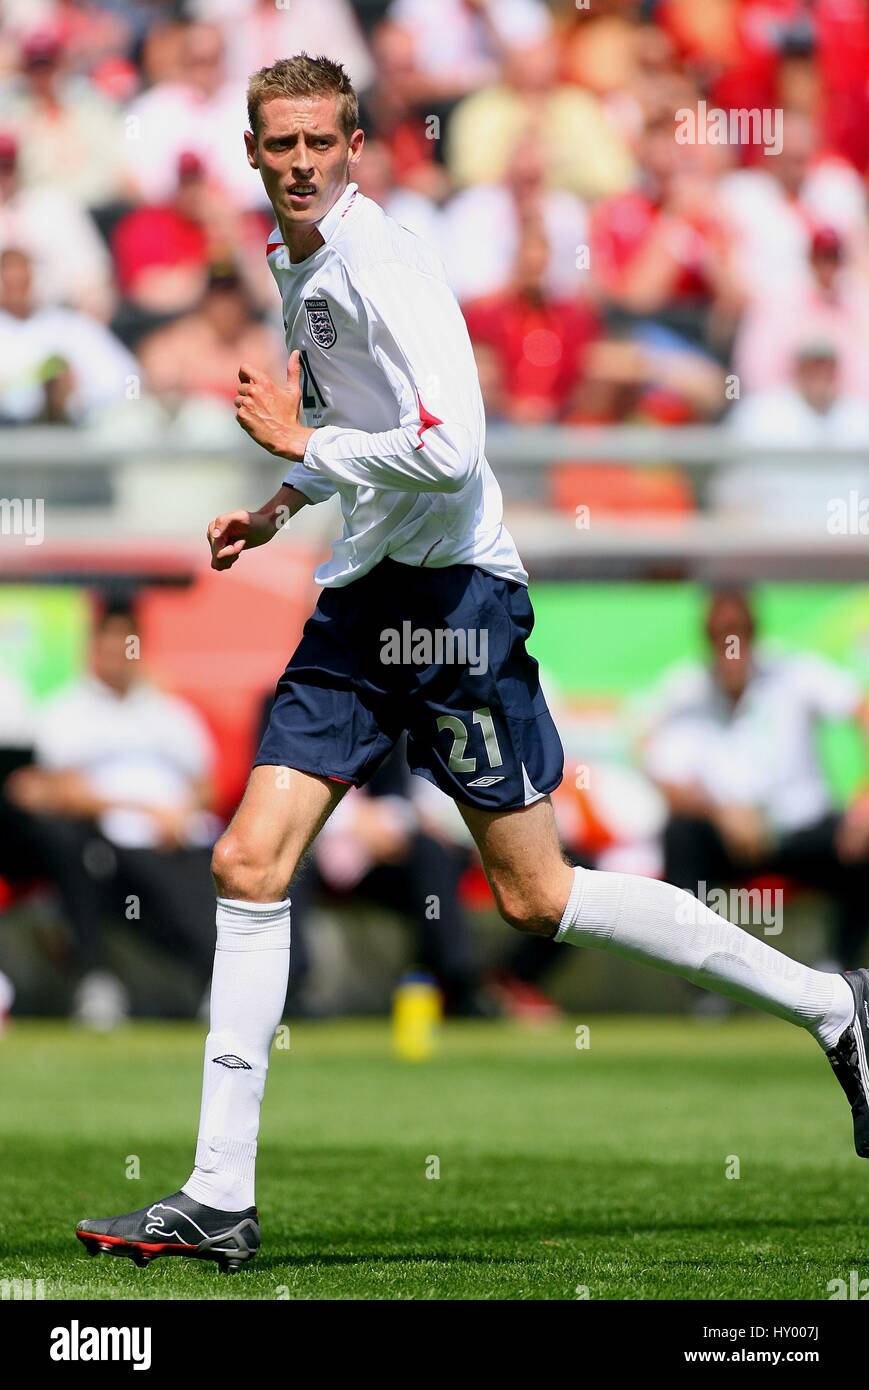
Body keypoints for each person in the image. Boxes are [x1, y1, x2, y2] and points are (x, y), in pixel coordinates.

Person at [76, 55, 869, 1274]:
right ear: (249, 152)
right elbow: (360, 420)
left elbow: (450, 451)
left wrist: (309, 444)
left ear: (353, 149)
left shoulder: (383, 261)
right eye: (275, 144)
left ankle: (830, 1004)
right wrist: (282, 501)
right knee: (246, 855)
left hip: (454, 605)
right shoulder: (300, 263)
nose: (296, 164)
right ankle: (217, 1196)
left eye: (317, 144)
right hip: (360, 600)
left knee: (537, 897)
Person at [6, 599, 220, 1028]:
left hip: (182, 836)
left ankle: (227, 988)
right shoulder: (68, 711)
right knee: (161, 897)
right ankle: (101, 980)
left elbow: (206, 783)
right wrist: (140, 809)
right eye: (110, 645)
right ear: (93, 650)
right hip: (116, 843)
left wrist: (179, 812)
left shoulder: (167, 712)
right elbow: (56, 790)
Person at [645, 589, 869, 969]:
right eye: (721, 634)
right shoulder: (685, 689)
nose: (731, 645)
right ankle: (702, 972)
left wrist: (865, 801)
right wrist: (721, 814)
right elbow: (661, 768)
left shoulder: (794, 670)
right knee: (680, 835)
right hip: (727, 837)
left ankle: (842, 971)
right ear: (708, 639)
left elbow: (861, 709)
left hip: (803, 830)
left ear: (754, 634)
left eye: (738, 632)